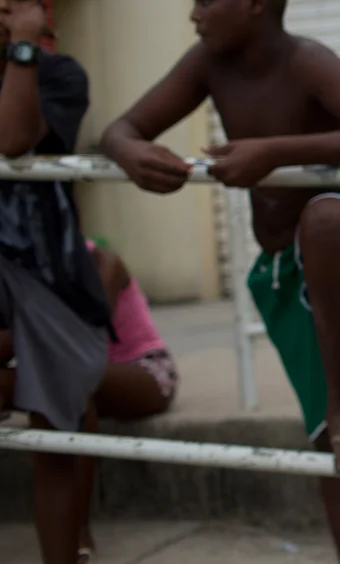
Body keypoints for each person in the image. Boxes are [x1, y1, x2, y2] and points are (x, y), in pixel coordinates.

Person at [99, 0, 340, 564]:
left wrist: (276, 151)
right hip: (285, 269)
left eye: (204, 0)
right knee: (329, 438)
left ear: (252, 1)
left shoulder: (306, 59)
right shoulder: (206, 63)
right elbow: (120, 127)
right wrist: (130, 152)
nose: (193, 14)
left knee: (325, 218)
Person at [0, 0, 112, 564]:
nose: (5, 8)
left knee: (58, 433)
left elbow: (14, 137)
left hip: (46, 278)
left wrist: (22, 48)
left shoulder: (59, 74)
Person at [75, 239, 179, 563]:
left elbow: (83, 331)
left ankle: (77, 532)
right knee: (70, 394)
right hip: (86, 378)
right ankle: (73, 530)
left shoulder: (106, 262)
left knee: (69, 382)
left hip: (146, 371)